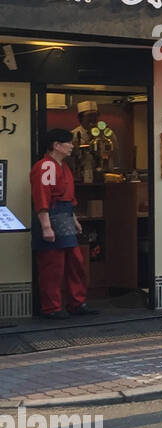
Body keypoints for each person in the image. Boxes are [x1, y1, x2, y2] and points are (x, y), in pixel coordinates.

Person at [29, 127, 95, 319]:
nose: (71, 146)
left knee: (75, 261)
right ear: (56, 145)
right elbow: (41, 197)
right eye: (68, 143)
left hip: (64, 214)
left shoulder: (63, 166)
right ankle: (52, 307)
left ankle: (77, 302)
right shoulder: (45, 166)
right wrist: (46, 225)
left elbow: (68, 197)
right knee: (52, 265)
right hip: (50, 215)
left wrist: (73, 219)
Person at [69, 98, 118, 183]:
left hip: (104, 176)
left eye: (95, 115)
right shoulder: (73, 135)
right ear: (81, 118)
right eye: (89, 116)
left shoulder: (106, 133)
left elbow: (115, 152)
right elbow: (69, 158)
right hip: (82, 176)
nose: (93, 119)